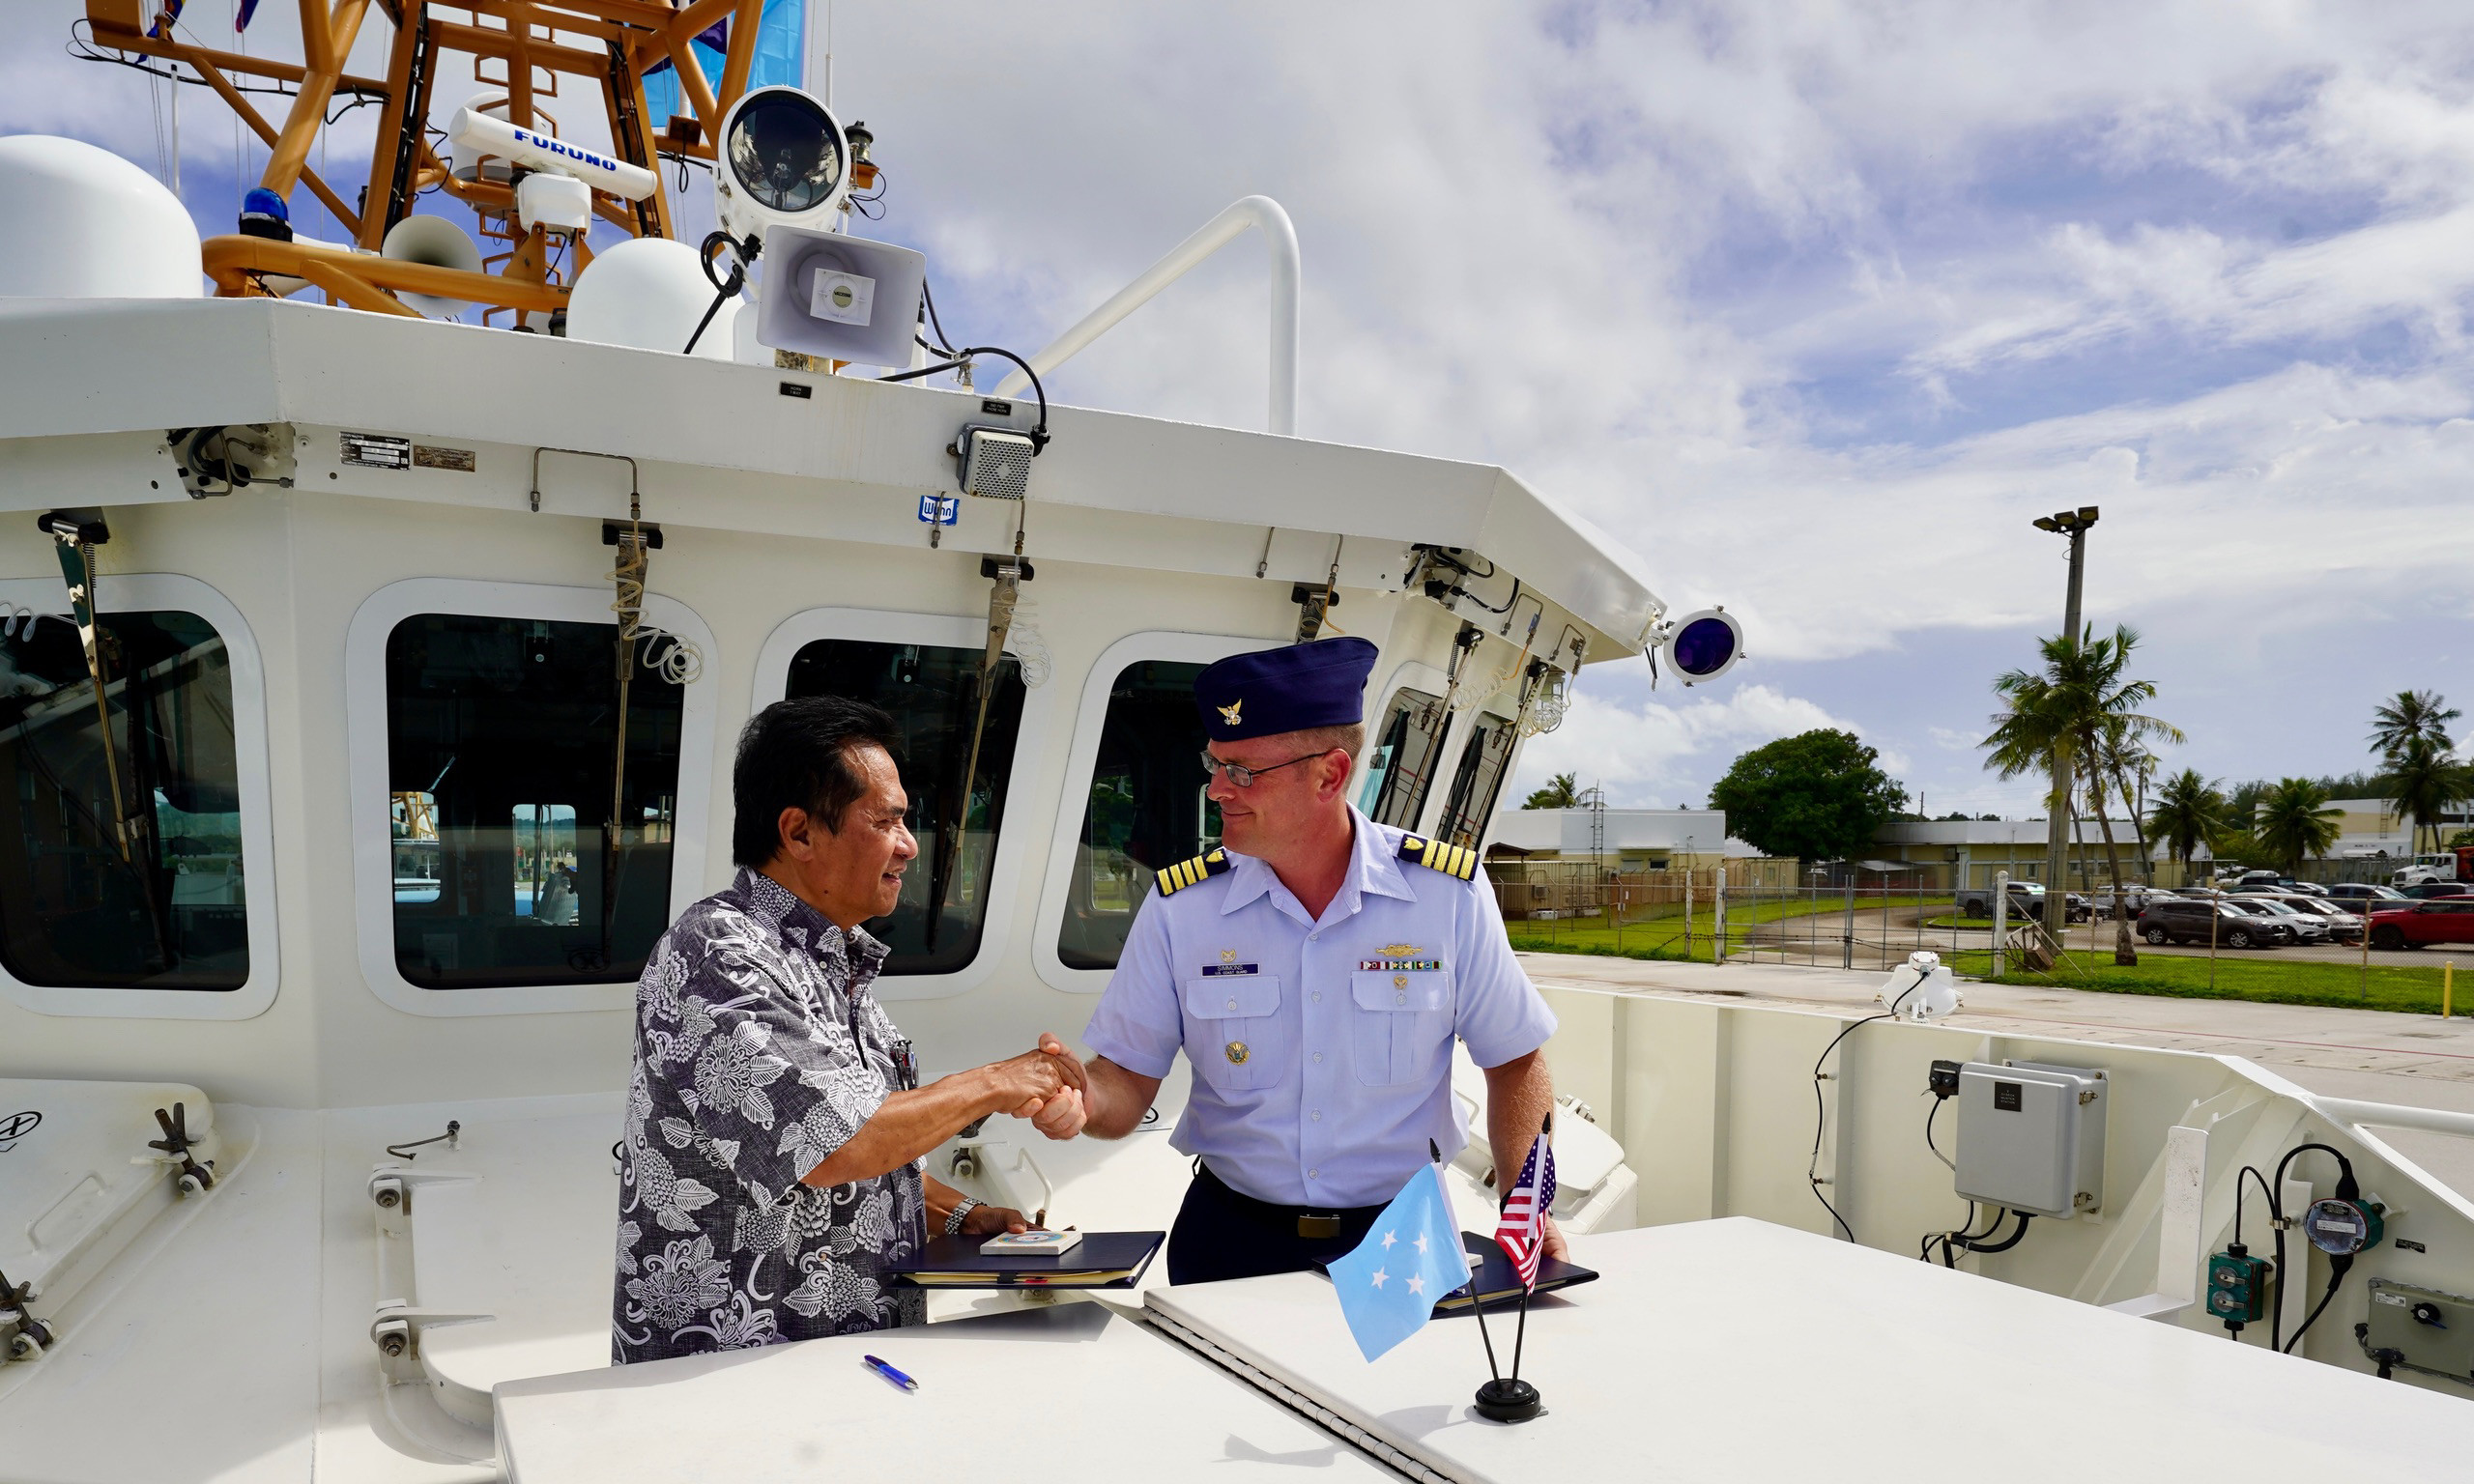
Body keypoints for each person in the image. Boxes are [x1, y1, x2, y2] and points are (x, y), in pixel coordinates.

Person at [1026, 637, 1568, 1284]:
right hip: (1231, 1239)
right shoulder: (1183, 907)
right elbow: (1127, 1077)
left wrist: (1524, 1209)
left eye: (1244, 771)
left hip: (1401, 1244)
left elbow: (1515, 1061)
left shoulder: (1445, 895)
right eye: (1216, 763)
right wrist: (1080, 1099)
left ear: (1330, 775)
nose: (1217, 788)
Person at [614, 697, 1081, 1362]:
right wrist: (995, 1083)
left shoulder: (832, 960)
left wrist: (960, 1217)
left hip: (843, 1367)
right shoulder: (718, 956)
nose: (909, 845)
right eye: (886, 821)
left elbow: (862, 1165)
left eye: (905, 821)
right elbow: (834, 1144)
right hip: (733, 1382)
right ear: (800, 833)